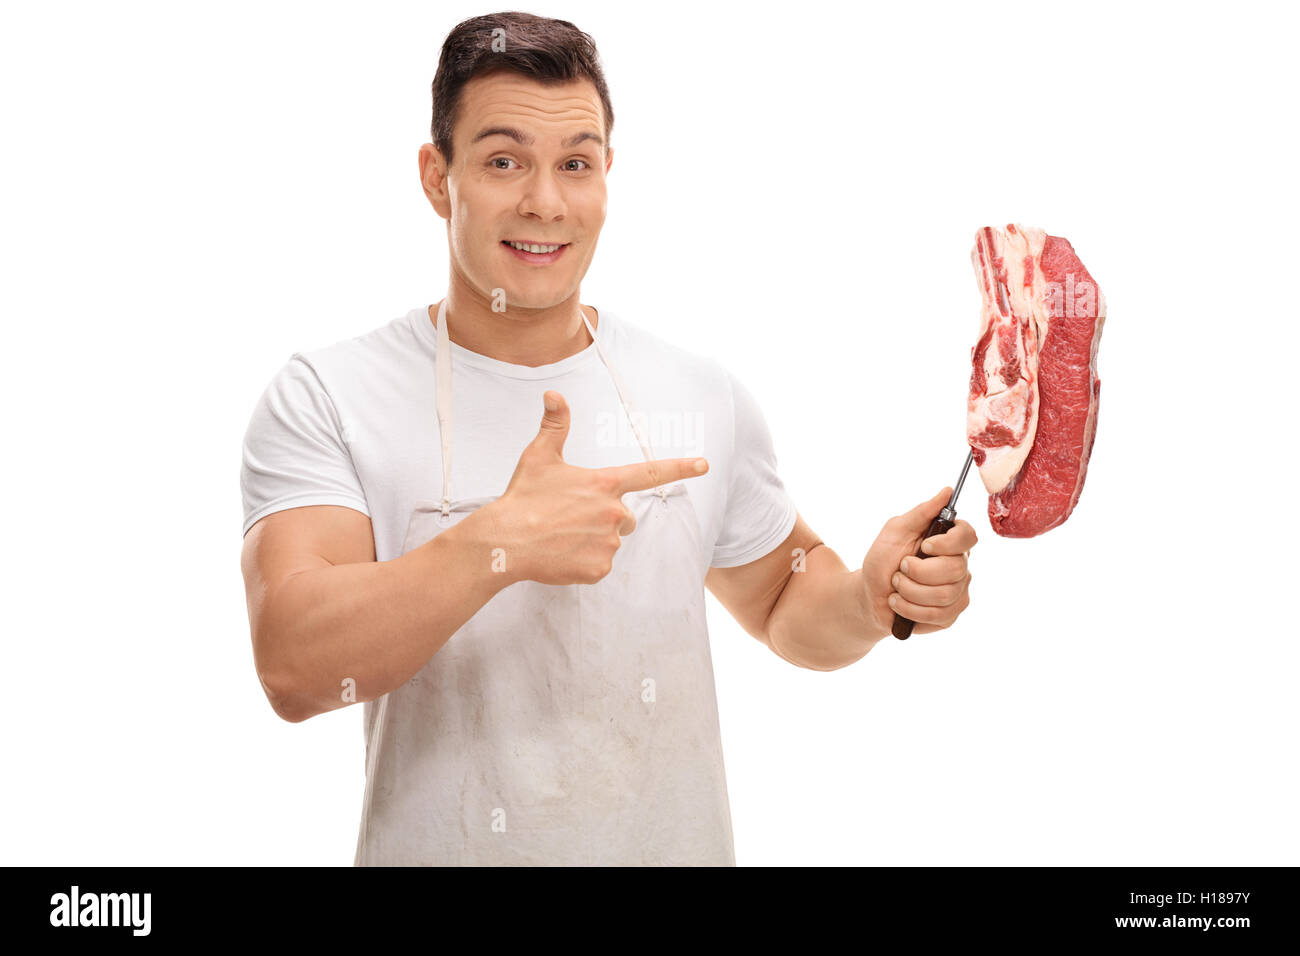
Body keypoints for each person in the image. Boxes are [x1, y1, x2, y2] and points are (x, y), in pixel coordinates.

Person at [239, 11, 977, 867]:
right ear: (437, 178)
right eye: (504, 160)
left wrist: (865, 600)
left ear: (607, 175)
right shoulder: (331, 394)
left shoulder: (696, 392)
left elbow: (781, 600)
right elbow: (292, 665)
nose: (545, 202)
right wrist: (496, 545)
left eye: (575, 164)